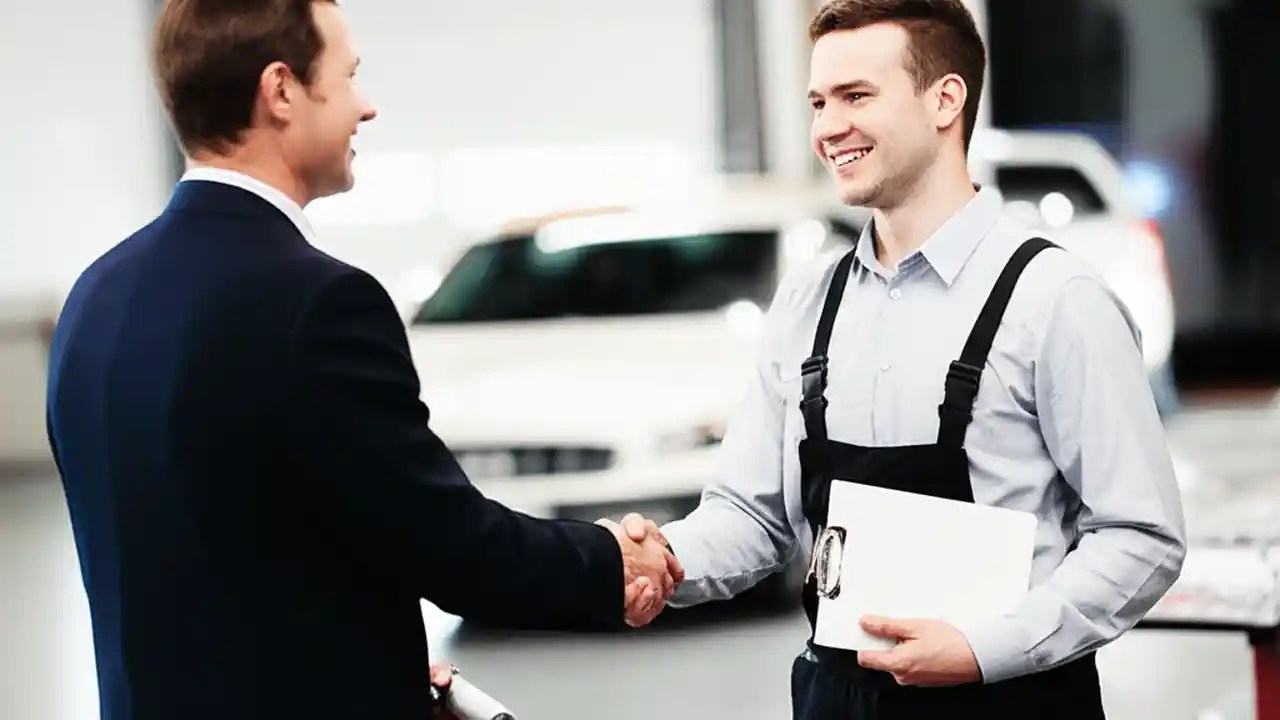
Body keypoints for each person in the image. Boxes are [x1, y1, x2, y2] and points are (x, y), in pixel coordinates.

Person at [44, 1, 679, 718]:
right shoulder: (316, 301)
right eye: (348, 77)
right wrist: (609, 563)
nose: (367, 107)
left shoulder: (94, 297)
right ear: (281, 90)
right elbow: (449, 545)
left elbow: (226, 554)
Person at [621, 0, 1185, 717]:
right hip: (838, 698)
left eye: (857, 97)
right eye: (819, 102)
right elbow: (752, 515)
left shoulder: (1054, 300)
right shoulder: (807, 304)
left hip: (1013, 699)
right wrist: (657, 563)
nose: (828, 128)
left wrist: (986, 649)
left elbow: (1143, 537)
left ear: (945, 99)